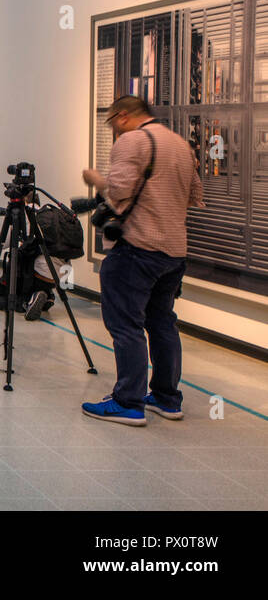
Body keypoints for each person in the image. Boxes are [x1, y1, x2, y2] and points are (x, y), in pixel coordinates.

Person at [80, 94, 206, 425]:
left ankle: (128, 401)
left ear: (122, 117)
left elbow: (118, 190)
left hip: (137, 249)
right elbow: (195, 196)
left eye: (111, 123)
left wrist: (95, 180)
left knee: (126, 325)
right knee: (162, 322)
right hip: (174, 251)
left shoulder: (132, 141)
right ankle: (166, 398)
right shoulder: (180, 145)